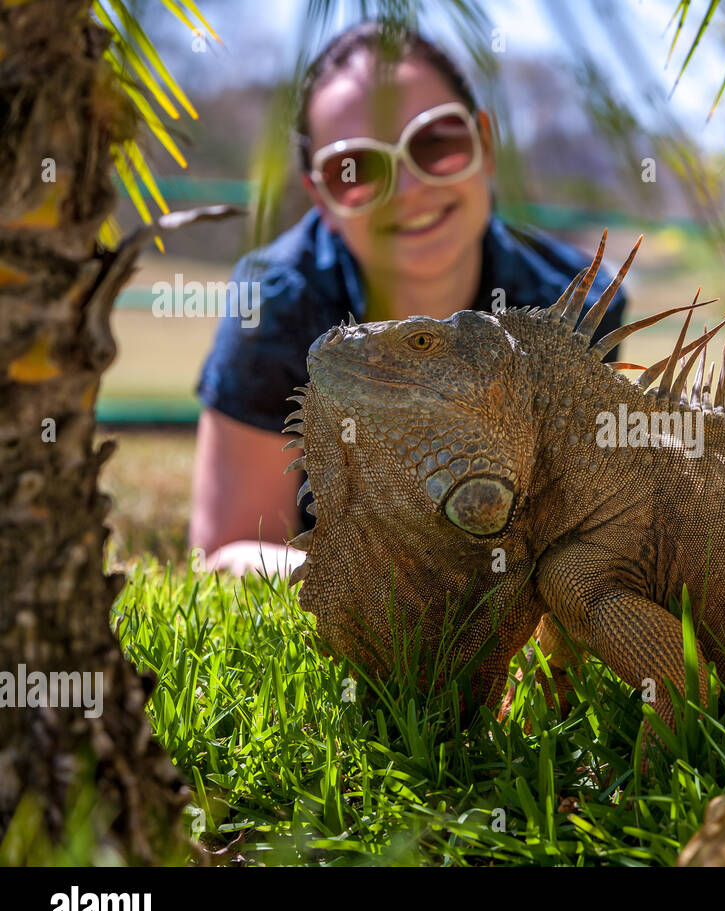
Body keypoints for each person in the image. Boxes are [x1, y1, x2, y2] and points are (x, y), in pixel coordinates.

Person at [190, 21, 628, 575]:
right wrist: (386, 595)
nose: (408, 188)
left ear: (485, 146)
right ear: (320, 198)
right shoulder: (274, 302)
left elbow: (587, 535)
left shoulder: (572, 305)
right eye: (357, 169)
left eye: (436, 142)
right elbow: (225, 552)